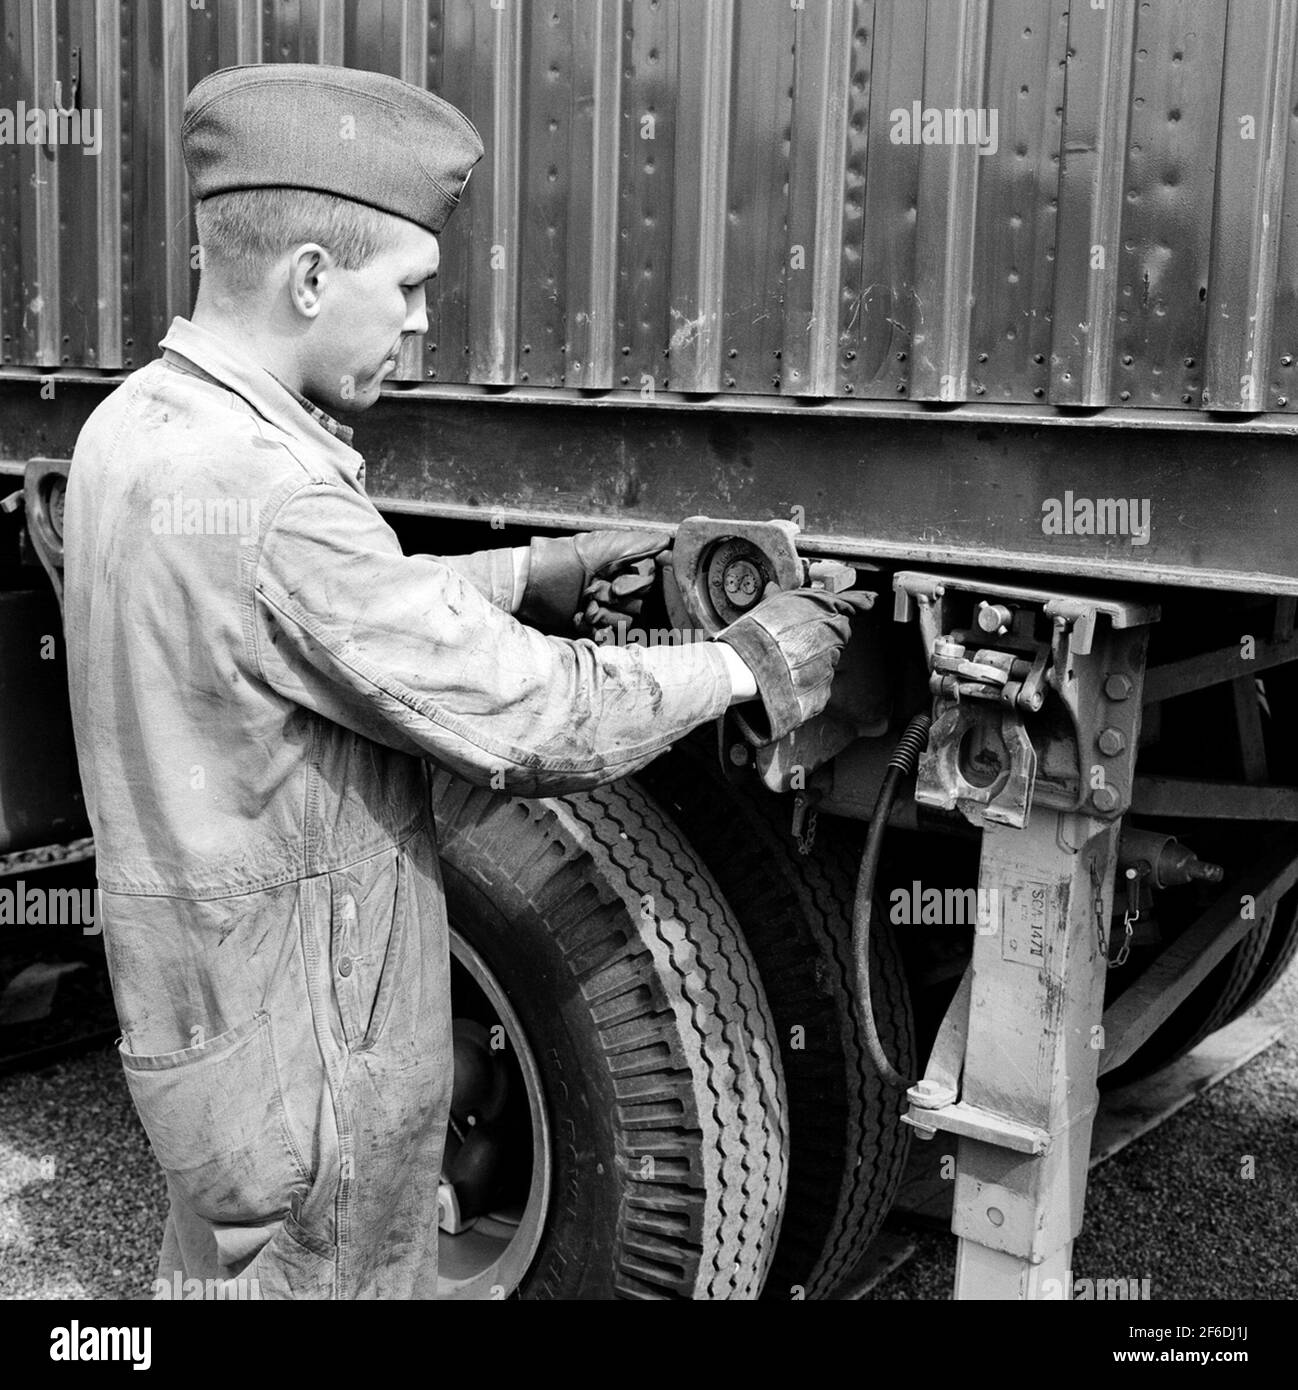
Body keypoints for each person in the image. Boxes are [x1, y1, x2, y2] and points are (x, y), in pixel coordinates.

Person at [62, 63, 860, 1299]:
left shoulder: (136, 429)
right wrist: (746, 661)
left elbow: (307, 627)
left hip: (216, 1049)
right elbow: (537, 716)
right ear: (312, 277)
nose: (424, 322)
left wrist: (527, 572)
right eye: (410, 286)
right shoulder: (272, 497)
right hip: (314, 1089)